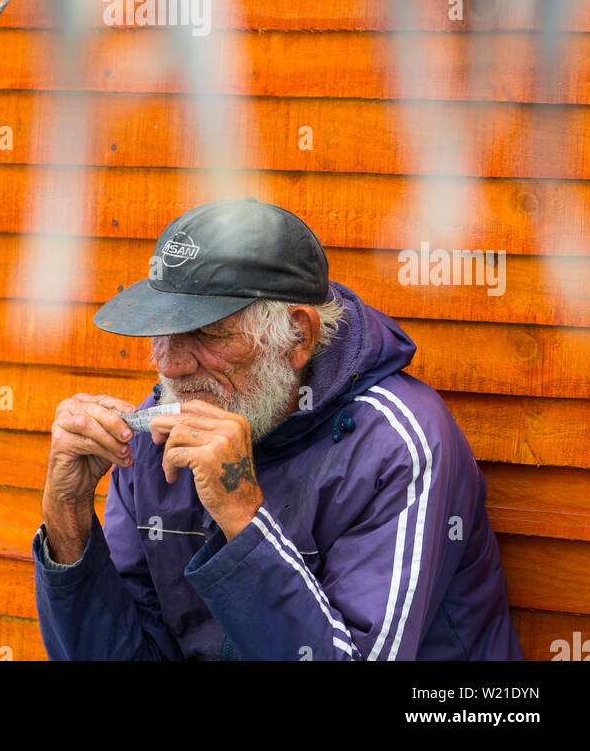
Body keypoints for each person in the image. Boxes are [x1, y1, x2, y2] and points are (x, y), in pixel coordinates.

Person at [32, 197, 522, 661]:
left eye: (208, 334)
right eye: (163, 333)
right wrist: (67, 517)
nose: (173, 366)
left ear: (297, 336)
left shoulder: (397, 444)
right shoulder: (159, 429)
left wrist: (243, 519)